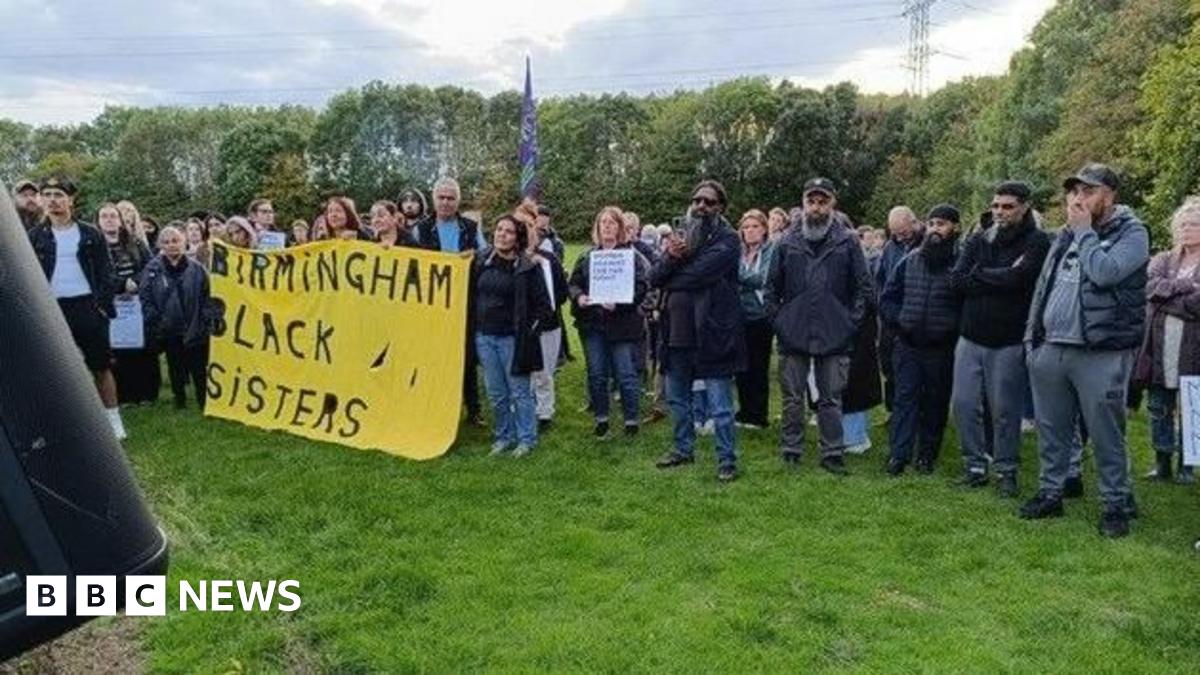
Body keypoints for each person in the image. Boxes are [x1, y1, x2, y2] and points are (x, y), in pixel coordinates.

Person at [1022, 163, 1149, 538]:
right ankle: (1051, 492)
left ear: (1109, 196)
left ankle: (1115, 503)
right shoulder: (1063, 235)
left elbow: (1105, 272)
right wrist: (1032, 339)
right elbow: (1044, 286)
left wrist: (1084, 233)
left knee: (1106, 431)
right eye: (1074, 192)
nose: (1078, 199)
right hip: (1052, 348)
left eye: (1088, 192)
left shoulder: (1133, 233)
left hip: (1100, 350)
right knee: (1052, 428)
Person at [950, 181, 1050, 497]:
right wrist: (999, 275)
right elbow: (957, 280)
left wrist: (980, 275)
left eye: (1007, 206)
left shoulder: (1036, 241)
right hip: (970, 336)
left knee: (1005, 411)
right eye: (995, 206)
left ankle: (1006, 470)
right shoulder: (979, 238)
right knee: (964, 405)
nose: (999, 212)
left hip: (1008, 339)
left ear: (1024, 207)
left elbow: (1020, 279)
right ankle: (974, 466)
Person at [766, 178, 871, 475]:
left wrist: (851, 322)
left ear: (832, 204)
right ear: (803, 203)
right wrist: (779, 321)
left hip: (835, 331)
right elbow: (771, 287)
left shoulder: (848, 240)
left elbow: (863, 287)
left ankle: (832, 452)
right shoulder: (787, 240)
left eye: (822, 201)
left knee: (830, 398)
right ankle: (791, 448)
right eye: (811, 200)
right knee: (792, 397)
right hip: (794, 330)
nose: (816, 206)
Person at [651, 180, 746, 482]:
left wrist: (672, 270)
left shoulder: (729, 239)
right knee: (678, 399)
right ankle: (682, 449)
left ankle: (726, 460)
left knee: (720, 405)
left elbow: (698, 275)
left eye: (709, 202)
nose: (701, 206)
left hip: (712, 333)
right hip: (676, 332)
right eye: (696, 201)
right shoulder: (679, 238)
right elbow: (653, 277)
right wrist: (669, 257)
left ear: (720, 207)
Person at [27, 176, 127, 440]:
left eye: (58, 194)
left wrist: (102, 307)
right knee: (54, 368)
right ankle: (65, 424)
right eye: (46, 194)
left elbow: (106, 273)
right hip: (51, 308)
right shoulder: (36, 236)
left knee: (101, 365)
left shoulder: (89, 233)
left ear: (71, 199)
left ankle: (113, 419)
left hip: (87, 306)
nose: (52, 200)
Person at [879, 205, 962, 475]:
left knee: (935, 404)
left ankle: (927, 454)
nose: (936, 229)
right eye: (932, 223)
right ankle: (898, 454)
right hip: (908, 345)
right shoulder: (911, 259)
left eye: (942, 224)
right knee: (904, 400)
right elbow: (888, 297)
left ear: (955, 228)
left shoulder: (960, 263)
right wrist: (900, 320)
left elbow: (966, 306)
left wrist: (951, 329)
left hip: (941, 348)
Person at [470, 215, 553, 457]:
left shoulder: (528, 267)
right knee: (496, 393)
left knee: (519, 391)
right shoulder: (482, 260)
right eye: (498, 229)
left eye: (508, 231)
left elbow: (544, 307)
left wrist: (529, 332)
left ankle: (526, 438)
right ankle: (503, 436)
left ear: (517, 238)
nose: (501, 234)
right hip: (484, 337)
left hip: (513, 339)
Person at [570, 206, 650, 438]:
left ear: (620, 228)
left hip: (623, 325)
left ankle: (631, 420)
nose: (607, 226)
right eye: (603, 222)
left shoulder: (631, 257)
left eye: (612, 222)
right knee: (596, 374)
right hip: (593, 325)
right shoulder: (587, 256)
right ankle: (602, 419)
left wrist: (620, 304)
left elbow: (642, 287)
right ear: (597, 227)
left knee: (626, 374)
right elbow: (574, 284)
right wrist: (579, 297)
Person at [1137, 198, 1200, 485]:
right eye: (1183, 224)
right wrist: (1186, 288)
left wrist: (1166, 299)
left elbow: (1196, 306)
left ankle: (1187, 467)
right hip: (1161, 346)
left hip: (1193, 347)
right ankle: (1162, 462)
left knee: (1192, 407)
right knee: (1158, 406)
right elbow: (1150, 290)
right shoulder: (1162, 259)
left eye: (1194, 224)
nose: (1187, 229)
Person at [414, 177, 487, 425]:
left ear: (458, 201)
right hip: (431, 304)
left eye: (451, 198)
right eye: (441, 197)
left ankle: (473, 409)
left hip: (464, 300)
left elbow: (486, 254)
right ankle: (435, 406)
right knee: (433, 355)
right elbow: (409, 260)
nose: (445, 202)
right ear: (434, 199)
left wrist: (474, 255)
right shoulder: (421, 229)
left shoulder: (470, 227)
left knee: (465, 355)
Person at [140, 225, 213, 410]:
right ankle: (179, 400)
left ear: (184, 242)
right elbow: (145, 296)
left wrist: (205, 320)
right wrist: (156, 320)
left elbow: (207, 296)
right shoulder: (152, 269)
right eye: (166, 242)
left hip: (195, 327)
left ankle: (203, 400)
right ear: (160, 245)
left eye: (176, 241)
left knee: (199, 368)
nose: (172, 245)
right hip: (168, 329)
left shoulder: (197, 269)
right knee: (175, 366)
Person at [98, 202, 159, 405]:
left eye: (113, 216)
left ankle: (146, 394)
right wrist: (121, 284)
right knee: (118, 351)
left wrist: (136, 282)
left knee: (142, 349)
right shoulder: (95, 246)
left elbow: (151, 265)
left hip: (137, 303)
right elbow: (96, 274)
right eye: (104, 216)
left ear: (120, 220)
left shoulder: (135, 242)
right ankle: (124, 396)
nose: (109, 220)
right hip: (112, 305)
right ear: (98, 221)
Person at [876, 207, 923, 415]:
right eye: (896, 233)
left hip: (917, 316)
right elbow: (881, 279)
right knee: (888, 364)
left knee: (914, 367)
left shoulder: (928, 243)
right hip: (891, 317)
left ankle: (917, 411)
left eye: (904, 232)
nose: (901, 237)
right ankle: (893, 412)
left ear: (914, 222)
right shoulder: (890, 247)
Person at [524, 217, 568, 432]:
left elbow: (561, 292)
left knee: (543, 371)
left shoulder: (549, 259)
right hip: (519, 325)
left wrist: (543, 309)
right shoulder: (512, 259)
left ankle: (544, 412)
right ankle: (524, 408)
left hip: (548, 324)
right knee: (523, 371)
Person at [734, 209, 775, 429]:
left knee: (758, 366)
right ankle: (744, 411)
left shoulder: (771, 250)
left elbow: (763, 279)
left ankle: (758, 415)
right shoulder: (738, 252)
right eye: (746, 227)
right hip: (739, 316)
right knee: (741, 366)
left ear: (764, 229)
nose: (750, 231)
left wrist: (737, 275)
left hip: (761, 316)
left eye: (755, 227)